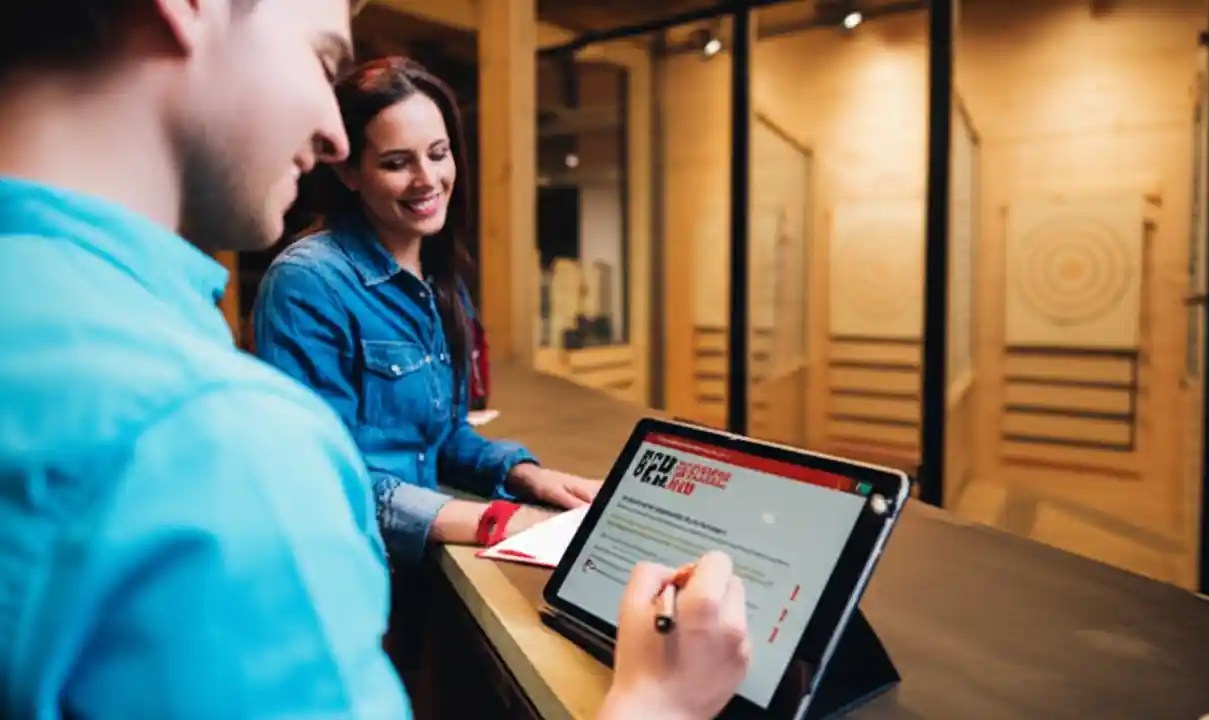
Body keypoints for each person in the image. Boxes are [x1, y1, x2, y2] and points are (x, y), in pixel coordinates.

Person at [0, 1, 749, 718]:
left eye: (438, 152)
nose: (330, 132)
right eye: (319, 53)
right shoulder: (214, 434)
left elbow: (438, 427)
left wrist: (517, 470)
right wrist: (658, 703)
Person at [252, 57, 594, 566]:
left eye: (438, 154)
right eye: (396, 163)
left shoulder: (440, 277)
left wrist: (529, 476)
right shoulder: (308, 282)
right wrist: (496, 520)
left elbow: (438, 435)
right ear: (348, 171)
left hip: (416, 574)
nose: (427, 179)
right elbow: (322, 479)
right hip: (347, 576)